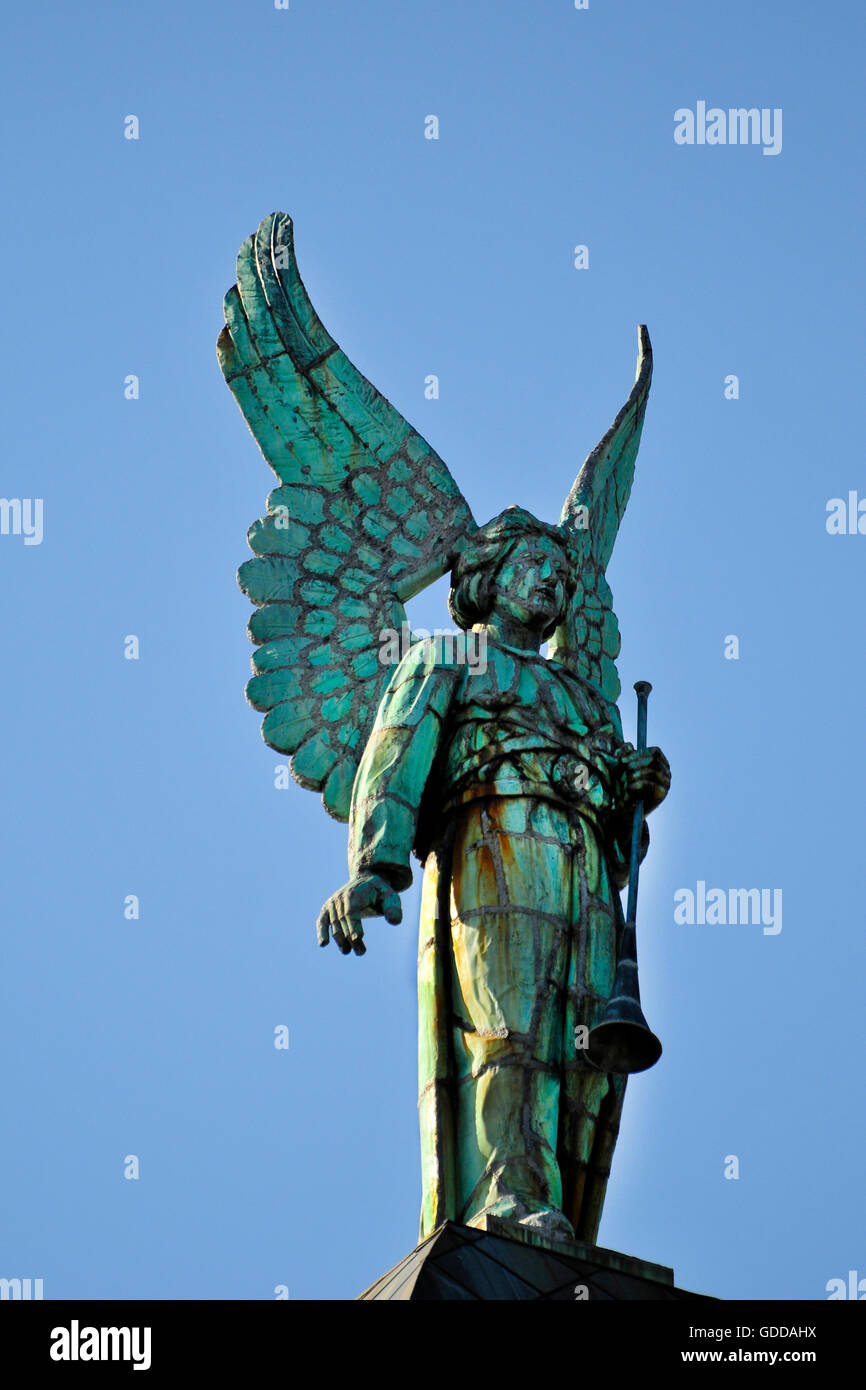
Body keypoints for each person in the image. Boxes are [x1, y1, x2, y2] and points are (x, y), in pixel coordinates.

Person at [317, 507, 671, 1245]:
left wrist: (634, 792)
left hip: (582, 872)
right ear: (487, 574)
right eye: (533, 563)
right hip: (490, 841)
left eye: (562, 573)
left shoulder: (582, 697)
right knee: (506, 1028)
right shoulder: (446, 658)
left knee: (584, 1055)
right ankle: (508, 1196)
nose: (552, 579)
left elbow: (623, 846)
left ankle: (563, 1218)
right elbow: (394, 759)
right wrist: (373, 867)